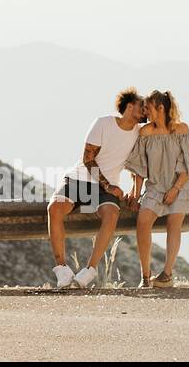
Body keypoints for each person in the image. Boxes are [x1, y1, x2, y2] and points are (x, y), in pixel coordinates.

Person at [47, 88, 146, 289]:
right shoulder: (103, 123)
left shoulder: (140, 134)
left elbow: (139, 168)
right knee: (54, 208)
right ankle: (62, 269)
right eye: (141, 105)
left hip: (105, 189)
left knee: (111, 215)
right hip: (80, 178)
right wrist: (107, 185)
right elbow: (88, 158)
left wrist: (135, 194)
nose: (145, 110)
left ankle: (89, 271)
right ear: (129, 106)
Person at [126, 89, 189, 288]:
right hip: (155, 187)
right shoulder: (146, 132)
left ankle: (166, 274)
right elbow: (140, 168)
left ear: (160, 108)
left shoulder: (181, 129)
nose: (145, 113)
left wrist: (176, 189)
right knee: (142, 222)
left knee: (174, 223)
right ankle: (145, 275)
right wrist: (135, 193)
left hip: (181, 185)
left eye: (148, 108)